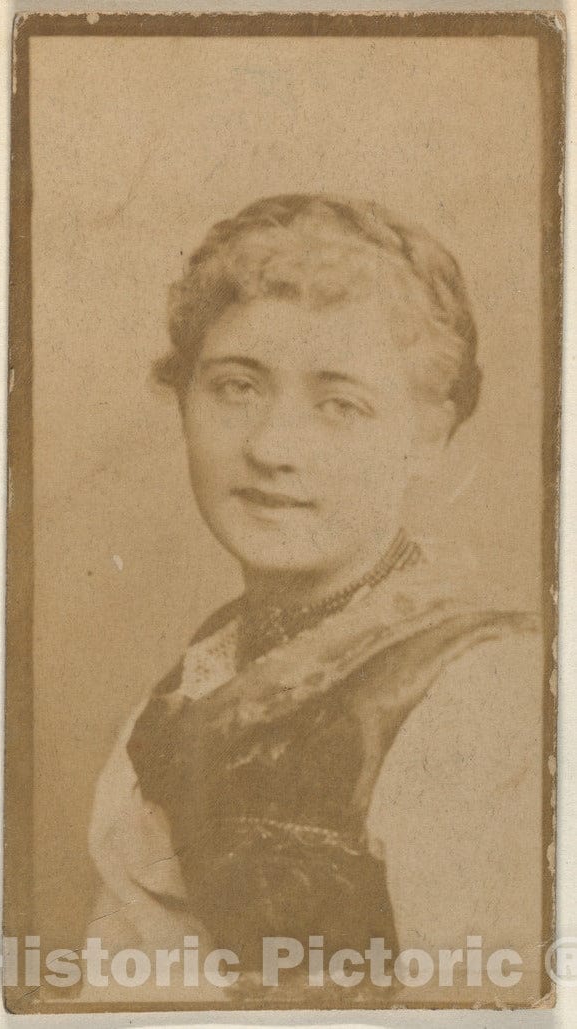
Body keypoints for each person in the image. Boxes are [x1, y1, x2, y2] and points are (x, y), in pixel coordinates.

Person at [85, 195, 543, 1006]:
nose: (271, 447)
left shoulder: (484, 699)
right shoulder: (181, 701)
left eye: (340, 404)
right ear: (183, 395)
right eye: (236, 387)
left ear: (428, 437)